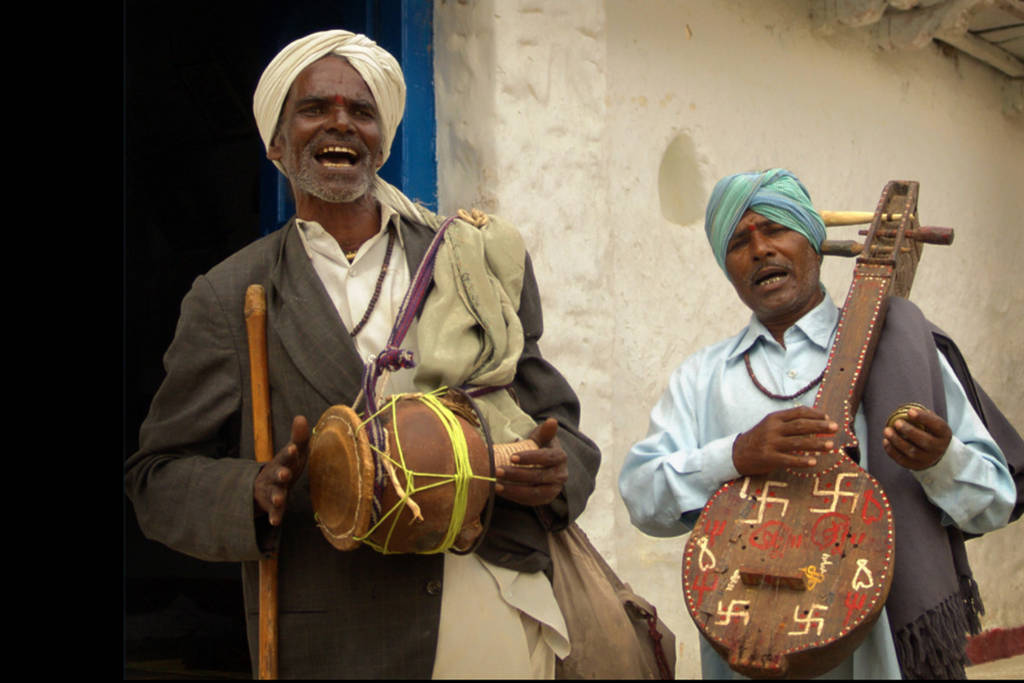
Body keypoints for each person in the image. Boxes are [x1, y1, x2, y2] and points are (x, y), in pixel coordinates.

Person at [125, 29, 600, 679]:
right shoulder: (233, 294)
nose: (340, 123)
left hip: (489, 607)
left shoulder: (472, 257)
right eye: (315, 108)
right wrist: (253, 487)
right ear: (275, 143)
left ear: (383, 137)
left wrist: (553, 472)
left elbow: (564, 429)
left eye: (362, 110)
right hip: (338, 639)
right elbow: (156, 479)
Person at [619, 168, 1023, 679]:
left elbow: (996, 502)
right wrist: (734, 456)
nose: (762, 249)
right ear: (728, 266)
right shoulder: (702, 378)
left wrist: (942, 462)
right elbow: (640, 494)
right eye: (740, 241)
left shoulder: (903, 351)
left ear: (814, 242)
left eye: (777, 229)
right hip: (750, 653)